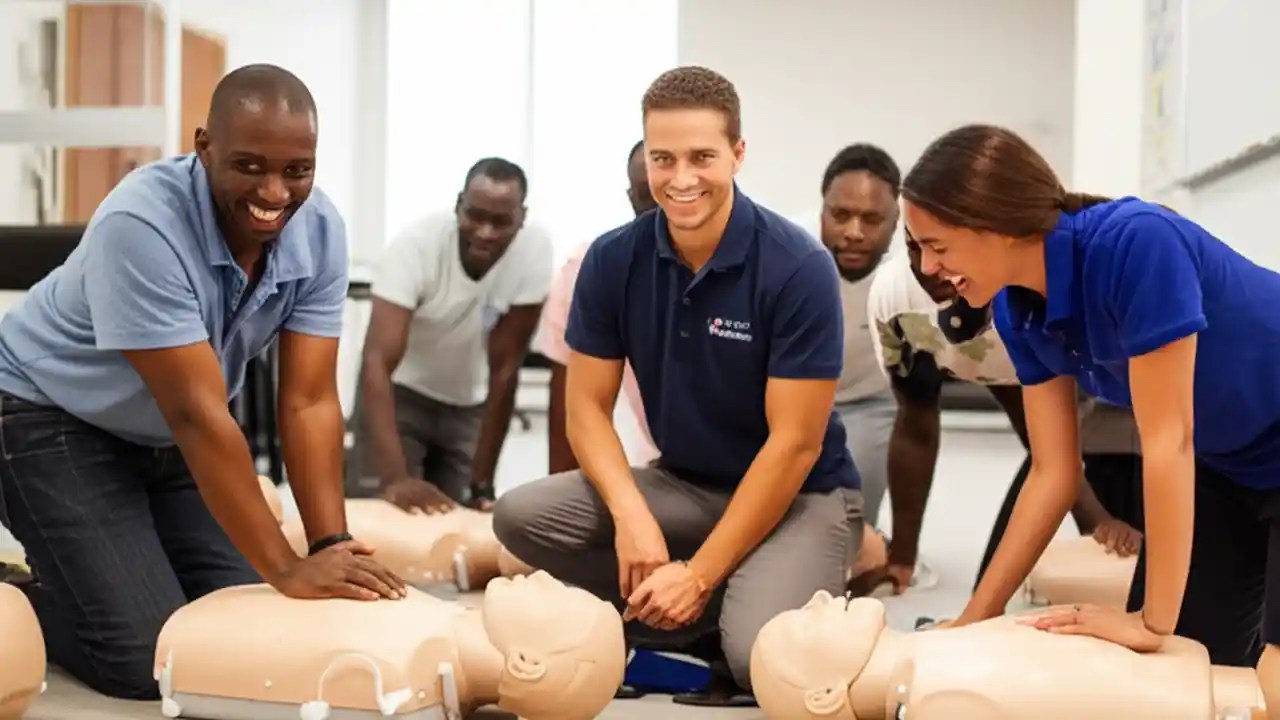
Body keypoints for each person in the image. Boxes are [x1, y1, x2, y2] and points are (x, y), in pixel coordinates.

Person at [0, 64, 405, 700]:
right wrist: (284, 566)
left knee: (243, 621)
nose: (275, 191)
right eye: (249, 165)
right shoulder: (142, 224)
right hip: (48, 417)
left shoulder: (319, 229)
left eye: (296, 169)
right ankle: (19, 595)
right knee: (148, 657)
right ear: (204, 145)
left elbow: (309, 400)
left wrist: (329, 545)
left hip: (165, 436)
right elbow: (196, 415)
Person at [493, 65, 862, 699]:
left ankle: (728, 597)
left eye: (702, 157)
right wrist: (631, 514)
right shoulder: (612, 260)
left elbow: (795, 446)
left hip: (801, 494)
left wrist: (695, 575)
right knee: (521, 516)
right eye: (664, 159)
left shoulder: (798, 266)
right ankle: (711, 599)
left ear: (738, 155)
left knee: (756, 659)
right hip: (685, 484)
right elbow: (584, 408)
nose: (682, 179)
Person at [900, 123, 1280, 704]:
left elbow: (1168, 441)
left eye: (936, 245)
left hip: (1240, 442)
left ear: (993, 224)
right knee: (1161, 687)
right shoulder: (1015, 310)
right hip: (1228, 461)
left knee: (1270, 687)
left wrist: (1151, 623)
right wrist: (972, 619)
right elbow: (1053, 472)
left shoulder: (1136, 246)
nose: (928, 267)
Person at [864, 221, 1144, 595]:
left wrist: (1098, 523)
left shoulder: (1031, 298)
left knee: (1138, 580)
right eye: (916, 247)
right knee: (997, 590)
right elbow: (916, 419)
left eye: (942, 249)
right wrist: (902, 558)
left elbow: (1051, 444)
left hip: (1129, 422)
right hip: (1037, 402)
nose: (930, 265)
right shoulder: (894, 298)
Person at [350, 158, 553, 512]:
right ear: (458, 205)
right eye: (475, 215)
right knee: (382, 519)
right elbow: (377, 361)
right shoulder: (416, 246)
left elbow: (506, 369)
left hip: (467, 405)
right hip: (398, 395)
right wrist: (395, 478)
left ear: (522, 218)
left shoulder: (534, 252)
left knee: (457, 525)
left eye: (501, 221)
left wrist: (482, 482)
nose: (485, 231)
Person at [538, 140, 660, 474]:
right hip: (658, 463)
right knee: (524, 511)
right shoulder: (589, 267)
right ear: (632, 198)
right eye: (648, 197)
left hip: (738, 468)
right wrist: (562, 495)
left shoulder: (750, 270)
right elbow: (571, 398)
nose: (663, 213)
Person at [811, 144, 899, 531]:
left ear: (895, 221)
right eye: (841, 215)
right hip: (789, 404)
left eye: (871, 219)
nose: (853, 233)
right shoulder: (788, 264)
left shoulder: (911, 281)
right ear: (822, 212)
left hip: (870, 407)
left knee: (850, 515)